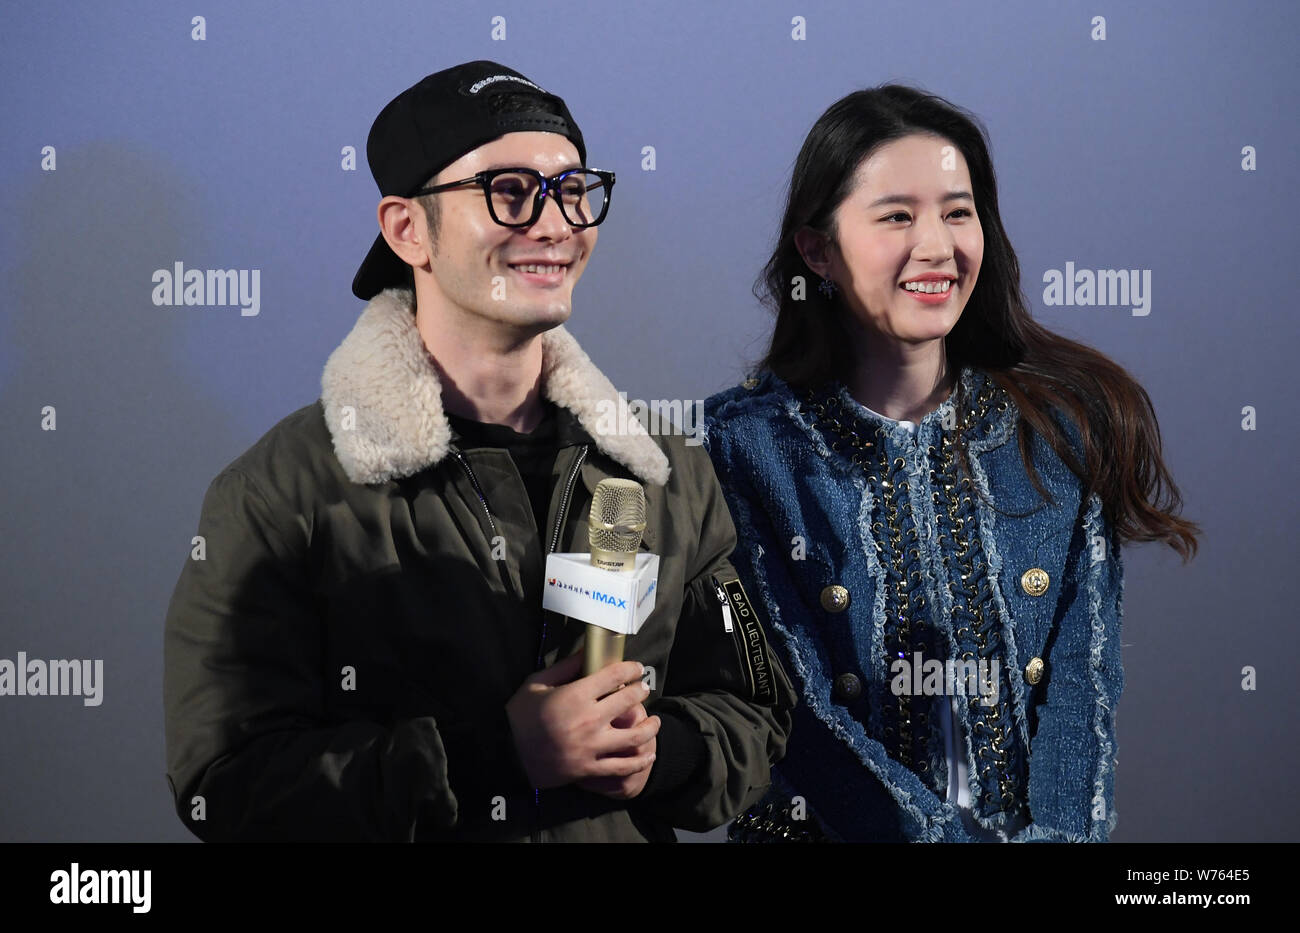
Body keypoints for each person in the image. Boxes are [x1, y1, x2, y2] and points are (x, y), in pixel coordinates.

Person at [163, 60, 794, 842]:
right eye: (510, 192)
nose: (558, 224)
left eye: (573, 190)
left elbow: (753, 708)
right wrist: (493, 754)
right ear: (406, 229)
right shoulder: (283, 492)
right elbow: (222, 784)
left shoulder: (659, 470)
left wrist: (661, 755)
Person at [704, 85, 1198, 842]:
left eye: (957, 211)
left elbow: (1083, 694)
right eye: (897, 215)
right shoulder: (742, 444)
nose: (936, 245)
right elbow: (798, 712)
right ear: (817, 249)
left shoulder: (1058, 431)